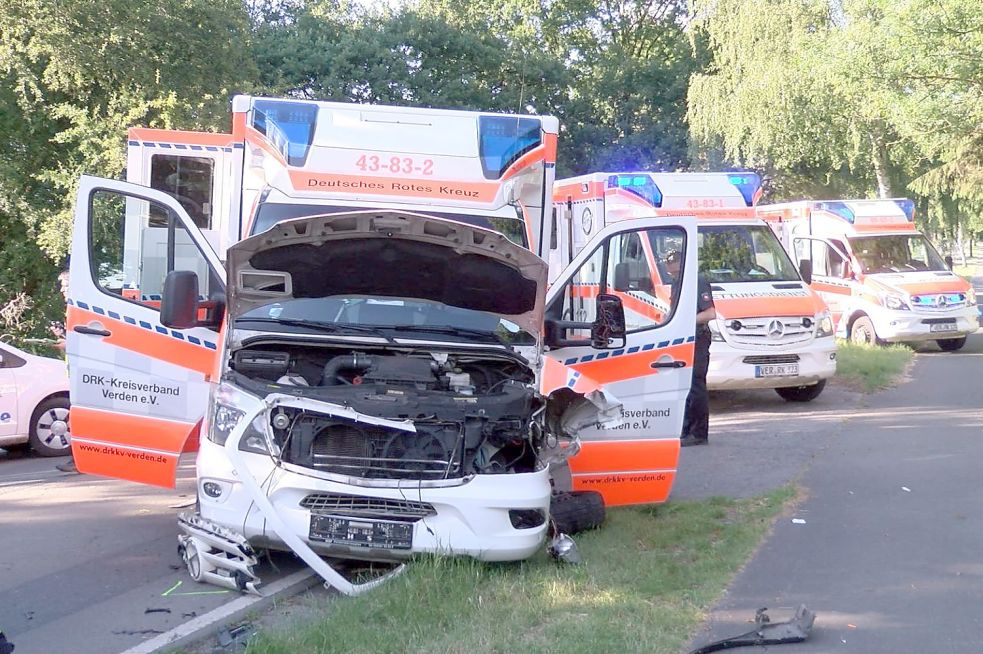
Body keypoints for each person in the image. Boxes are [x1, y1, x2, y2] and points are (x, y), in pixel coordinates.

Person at [664, 249, 716, 446]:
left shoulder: (697, 280)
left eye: (675, 271)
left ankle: (699, 433)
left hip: (698, 337)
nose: (673, 275)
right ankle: (686, 430)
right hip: (683, 338)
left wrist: (685, 322)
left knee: (695, 385)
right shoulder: (677, 282)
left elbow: (710, 313)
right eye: (671, 272)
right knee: (684, 386)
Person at [52, 265, 78, 473]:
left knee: (76, 416)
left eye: (66, 285)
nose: (63, 289)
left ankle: (79, 459)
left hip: (82, 372)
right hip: (75, 370)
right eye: (62, 285)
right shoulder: (69, 308)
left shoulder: (78, 308)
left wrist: (68, 344)